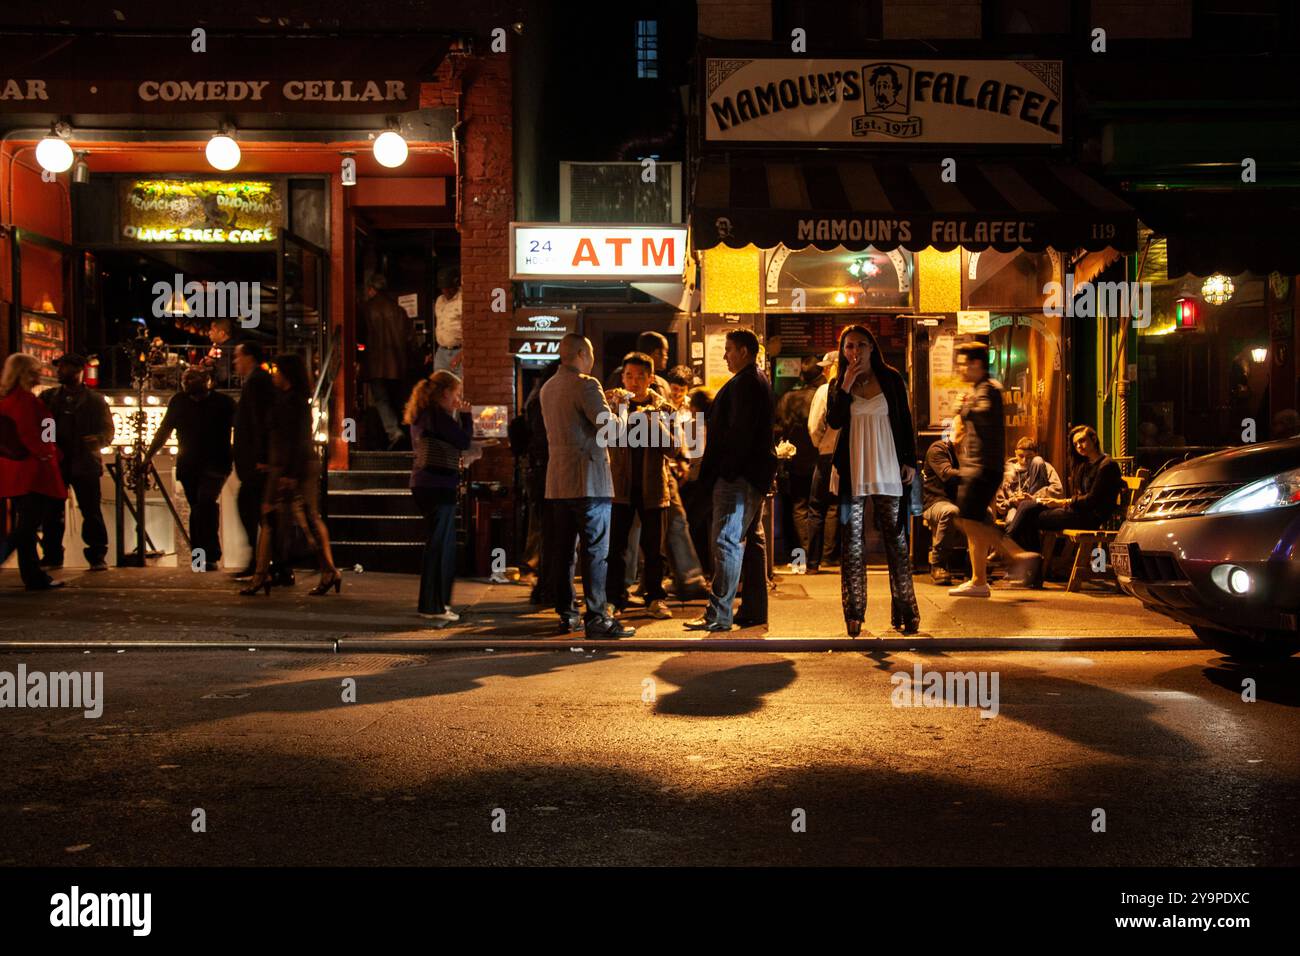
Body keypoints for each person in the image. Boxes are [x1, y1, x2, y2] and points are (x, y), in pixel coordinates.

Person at [825, 325, 920, 636]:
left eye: (861, 345)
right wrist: (846, 384)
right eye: (849, 346)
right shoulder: (838, 384)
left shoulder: (891, 378)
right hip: (853, 468)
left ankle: (906, 611)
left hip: (888, 465)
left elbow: (905, 421)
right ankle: (854, 614)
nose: (855, 352)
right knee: (852, 543)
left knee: (896, 539)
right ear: (843, 351)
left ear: (871, 348)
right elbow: (835, 421)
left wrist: (909, 461)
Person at [539, 333, 634, 638]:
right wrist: (619, 406)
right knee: (596, 552)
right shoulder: (586, 384)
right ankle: (598, 618)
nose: (592, 360)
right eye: (590, 354)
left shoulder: (548, 388)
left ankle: (567, 615)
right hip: (590, 482)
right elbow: (611, 432)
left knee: (564, 552)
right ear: (581, 353)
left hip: (558, 483)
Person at [685, 329, 776, 632]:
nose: (724, 355)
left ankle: (718, 613)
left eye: (729, 349)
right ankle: (753, 610)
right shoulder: (756, 380)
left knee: (726, 541)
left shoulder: (745, 383)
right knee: (753, 543)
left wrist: (725, 470)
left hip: (738, 477)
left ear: (744, 352)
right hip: (751, 475)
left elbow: (738, 434)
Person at [239, 354, 341, 597]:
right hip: (284, 466)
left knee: (285, 517)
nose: (274, 374)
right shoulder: (286, 401)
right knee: (282, 518)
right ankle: (266, 574)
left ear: (287, 375)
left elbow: (297, 440)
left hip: (289, 468)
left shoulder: (293, 403)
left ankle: (264, 575)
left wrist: (289, 473)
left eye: (277, 371)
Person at [948, 343, 1041, 598]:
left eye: (964, 363)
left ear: (976, 364)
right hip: (980, 467)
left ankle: (1016, 556)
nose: (961, 368)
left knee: (965, 520)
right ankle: (978, 581)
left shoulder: (988, 389)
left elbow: (983, 416)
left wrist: (963, 409)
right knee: (976, 522)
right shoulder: (980, 389)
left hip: (983, 468)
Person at [604, 352, 677, 620]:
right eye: (629, 376)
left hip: (653, 488)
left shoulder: (664, 409)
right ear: (622, 378)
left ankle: (655, 597)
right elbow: (603, 440)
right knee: (616, 548)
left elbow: (674, 448)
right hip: (619, 488)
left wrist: (654, 425)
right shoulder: (612, 407)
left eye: (640, 376)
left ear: (651, 378)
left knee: (654, 549)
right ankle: (613, 598)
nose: (634, 382)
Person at [145, 367, 236, 570]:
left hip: (216, 462)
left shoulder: (223, 403)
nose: (187, 382)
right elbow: (164, 430)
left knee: (204, 502)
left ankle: (209, 556)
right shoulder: (179, 402)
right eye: (185, 379)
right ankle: (200, 558)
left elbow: (240, 428)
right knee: (198, 508)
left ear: (207, 380)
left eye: (192, 378)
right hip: (189, 464)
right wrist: (149, 455)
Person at [405, 370, 473, 623]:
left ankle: (434, 602)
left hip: (423, 483)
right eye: (456, 393)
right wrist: (465, 417)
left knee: (438, 543)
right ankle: (434, 604)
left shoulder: (423, 414)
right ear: (445, 392)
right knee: (440, 546)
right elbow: (463, 441)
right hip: (438, 484)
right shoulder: (436, 415)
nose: (458, 398)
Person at [38, 353, 113, 571]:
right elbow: (43, 426)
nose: (59, 371)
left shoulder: (95, 400)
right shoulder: (49, 397)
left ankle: (97, 554)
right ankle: (52, 554)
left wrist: (96, 441)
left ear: (78, 370)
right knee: (52, 512)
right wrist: (48, 445)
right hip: (57, 461)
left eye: (64, 367)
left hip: (84, 462)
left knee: (90, 511)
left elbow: (108, 430)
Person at [0, 353, 68, 591]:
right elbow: (33, 433)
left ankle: (34, 576)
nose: (41, 373)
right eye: (36, 370)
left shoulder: (10, 400)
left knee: (26, 527)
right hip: (32, 471)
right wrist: (49, 454)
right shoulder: (26, 401)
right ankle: (30, 573)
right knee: (27, 526)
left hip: (15, 470)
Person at [1007, 425, 1125, 561]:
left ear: (1094, 439)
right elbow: (1080, 497)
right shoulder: (1085, 464)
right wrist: (1056, 503)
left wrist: (1061, 502)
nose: (1079, 446)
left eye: (1082, 441)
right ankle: (1029, 560)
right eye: (1075, 444)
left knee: (1030, 517)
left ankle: (1025, 558)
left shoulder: (1107, 465)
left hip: (1091, 517)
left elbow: (1092, 500)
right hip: (1077, 510)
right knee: (1027, 506)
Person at [231, 342, 276, 579]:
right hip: (254, 459)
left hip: (255, 461)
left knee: (251, 506)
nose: (234, 361)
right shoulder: (258, 381)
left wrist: (261, 456)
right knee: (257, 509)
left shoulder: (256, 382)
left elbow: (259, 420)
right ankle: (265, 561)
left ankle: (263, 562)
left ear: (249, 357)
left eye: (238, 357)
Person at [774, 354, 823, 567]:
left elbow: (777, 428)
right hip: (820, 458)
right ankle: (824, 558)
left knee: (798, 507)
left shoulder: (788, 398)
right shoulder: (822, 397)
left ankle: (800, 559)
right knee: (822, 509)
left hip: (794, 460)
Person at [363, 273, 414, 449]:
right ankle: (407, 436)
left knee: (381, 400)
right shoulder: (399, 310)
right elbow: (409, 339)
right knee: (397, 400)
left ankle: (393, 432)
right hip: (398, 364)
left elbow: (360, 337)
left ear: (371, 290)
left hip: (375, 364)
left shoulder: (367, 309)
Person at [805, 351, 841, 572]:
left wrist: (822, 444)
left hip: (827, 455)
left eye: (828, 366)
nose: (825, 370)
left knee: (817, 506)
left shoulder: (825, 391)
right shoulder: (859, 390)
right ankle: (835, 557)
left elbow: (814, 426)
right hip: (850, 458)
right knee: (842, 507)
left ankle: (812, 562)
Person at [997, 437, 1063, 523]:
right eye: (1021, 456)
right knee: (1011, 520)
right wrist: (1012, 501)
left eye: (1029, 457)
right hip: (1014, 507)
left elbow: (1057, 490)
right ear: (1015, 453)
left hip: (1036, 505)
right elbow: (1000, 506)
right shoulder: (1007, 471)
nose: (1025, 460)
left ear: (1036, 454)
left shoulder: (1043, 466)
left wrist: (1033, 498)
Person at [605, 331, 671, 395]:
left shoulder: (662, 383)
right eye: (665, 352)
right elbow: (615, 402)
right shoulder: (619, 375)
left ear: (651, 378)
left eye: (640, 377)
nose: (666, 357)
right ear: (656, 352)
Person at [433, 267, 463, 373]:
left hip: (459, 350)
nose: (446, 291)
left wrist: (462, 354)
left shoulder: (463, 299)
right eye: (443, 288)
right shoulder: (439, 301)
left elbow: (471, 329)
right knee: (438, 384)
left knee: (459, 386)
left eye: (449, 287)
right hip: (441, 350)